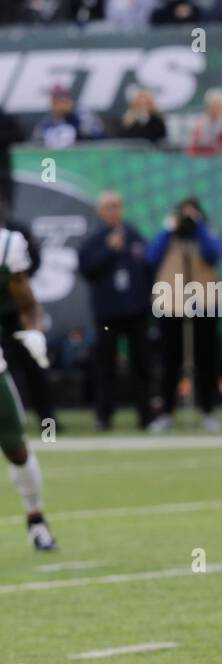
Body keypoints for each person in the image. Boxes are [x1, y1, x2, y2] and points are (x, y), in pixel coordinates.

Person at [147, 197, 222, 433]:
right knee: (170, 361)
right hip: (171, 302)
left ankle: (208, 411)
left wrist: (198, 226)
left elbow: (213, 254)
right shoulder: (168, 236)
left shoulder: (206, 233)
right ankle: (166, 413)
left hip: (203, 301)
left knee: (206, 360)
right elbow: (151, 258)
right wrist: (170, 227)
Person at [77, 191, 154, 431]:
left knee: (141, 364)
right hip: (108, 312)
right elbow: (87, 269)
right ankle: (104, 415)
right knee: (105, 365)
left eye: (116, 206)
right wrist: (108, 250)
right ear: (101, 211)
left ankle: (146, 415)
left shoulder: (133, 235)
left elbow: (149, 266)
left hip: (136, 310)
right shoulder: (95, 239)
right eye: (108, 207)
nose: (113, 211)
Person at [0, 224, 56, 550]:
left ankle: (36, 520)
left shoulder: (7, 246)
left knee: (15, 447)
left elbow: (28, 304)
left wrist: (34, 330)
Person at [32, 86, 104, 149]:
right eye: (56, 101)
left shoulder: (83, 117)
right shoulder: (46, 123)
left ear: (69, 101)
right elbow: (35, 144)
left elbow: (98, 140)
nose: (60, 105)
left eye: (62, 100)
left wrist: (73, 119)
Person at [187, 88, 222, 155]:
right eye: (213, 105)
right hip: (204, 157)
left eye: (218, 105)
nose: (215, 109)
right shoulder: (202, 122)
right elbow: (195, 143)